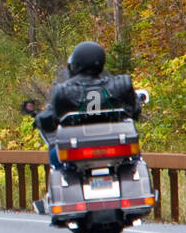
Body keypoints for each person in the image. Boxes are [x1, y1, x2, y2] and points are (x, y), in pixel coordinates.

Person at [35, 41, 142, 169]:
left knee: (55, 156)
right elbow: (134, 110)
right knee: (135, 158)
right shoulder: (121, 84)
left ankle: (63, 184)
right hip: (115, 144)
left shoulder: (64, 91)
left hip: (76, 147)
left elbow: (47, 119)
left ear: (75, 63)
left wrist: (41, 119)